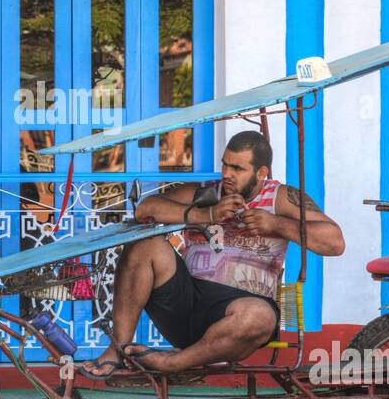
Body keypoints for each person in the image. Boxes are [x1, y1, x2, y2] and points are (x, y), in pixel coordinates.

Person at [80, 131, 345, 378]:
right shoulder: (206, 193)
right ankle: (117, 347)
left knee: (260, 317)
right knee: (143, 242)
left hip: (237, 316)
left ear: (261, 173)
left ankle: (174, 362)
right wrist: (206, 214)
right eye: (225, 165)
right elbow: (145, 210)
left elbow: (335, 243)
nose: (227, 174)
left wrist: (277, 224)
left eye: (237, 169)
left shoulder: (281, 197)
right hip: (185, 302)